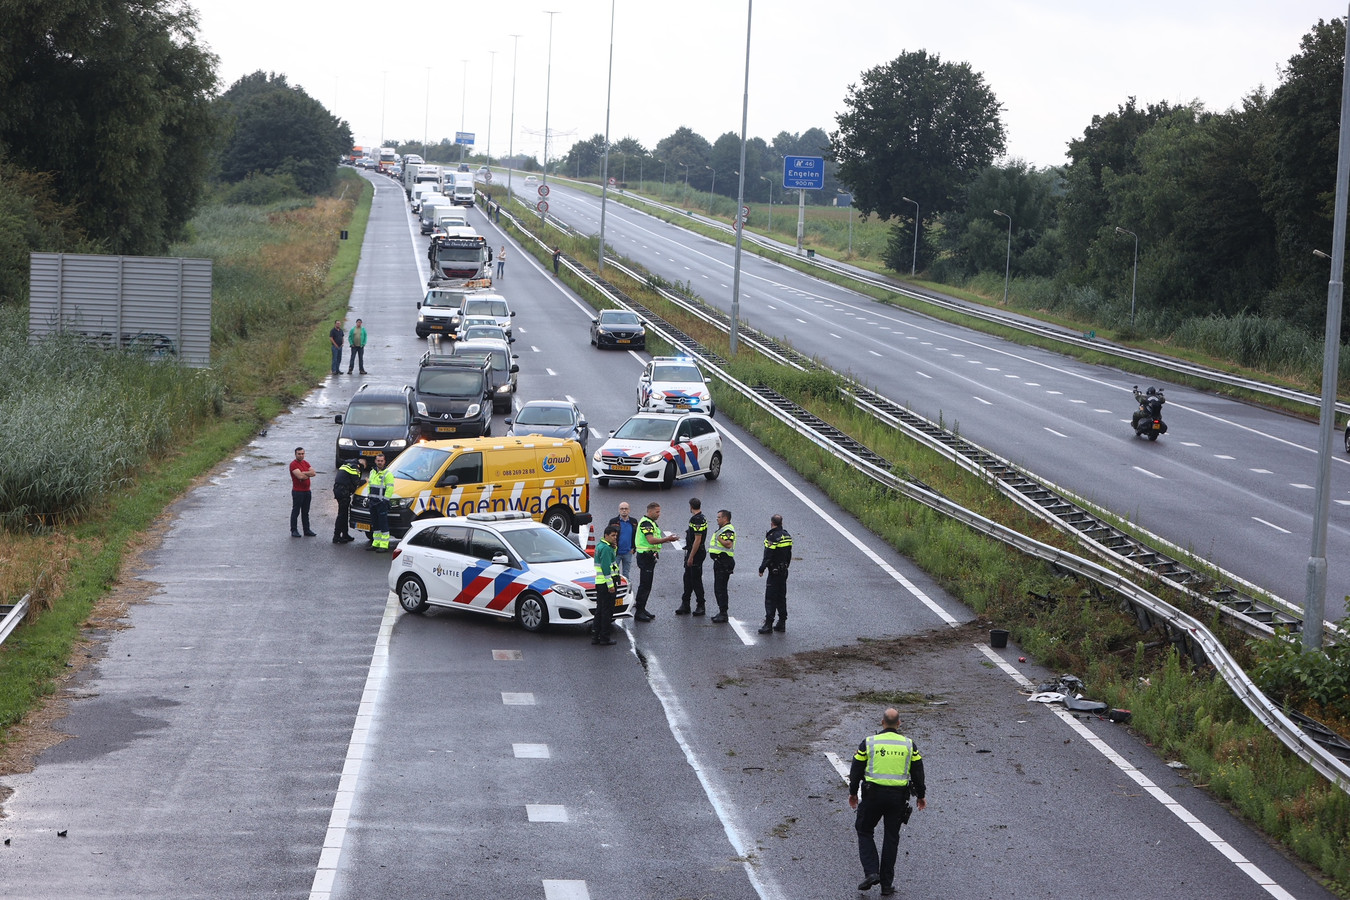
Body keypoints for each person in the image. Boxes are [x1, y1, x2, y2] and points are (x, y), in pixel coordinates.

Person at [849, 708, 926, 896]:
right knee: (891, 839)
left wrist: (853, 793)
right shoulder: (909, 745)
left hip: (872, 796)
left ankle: (871, 872)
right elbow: (918, 772)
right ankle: (886, 885)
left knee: (864, 830)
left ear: (882, 722)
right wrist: (921, 796)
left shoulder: (869, 742)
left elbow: (856, 768)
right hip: (898, 798)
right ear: (899, 724)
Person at [632, 501, 677, 621]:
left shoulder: (651, 522)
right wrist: (667, 539)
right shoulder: (646, 523)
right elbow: (651, 540)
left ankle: (642, 608)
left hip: (649, 556)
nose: (659, 514)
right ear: (650, 511)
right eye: (657, 512)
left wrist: (666, 540)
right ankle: (639, 611)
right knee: (645, 585)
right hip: (645, 557)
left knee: (647, 585)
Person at [757, 513, 793, 634]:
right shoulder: (787, 536)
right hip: (784, 571)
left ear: (772, 523)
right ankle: (782, 622)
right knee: (781, 597)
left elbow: (768, 555)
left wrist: (762, 568)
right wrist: (786, 566)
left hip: (774, 572)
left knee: (770, 598)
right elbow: (789, 555)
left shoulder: (772, 537)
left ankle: (768, 624)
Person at [676, 498, 708, 615]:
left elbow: (697, 540)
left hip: (696, 553)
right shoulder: (701, 517)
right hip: (694, 551)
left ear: (691, 506)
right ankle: (685, 603)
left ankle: (700, 604)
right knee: (687, 578)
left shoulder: (697, 519)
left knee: (695, 579)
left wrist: (691, 556)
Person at [592, 523, 620, 645]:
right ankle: (604, 637)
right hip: (606, 583)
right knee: (607, 612)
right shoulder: (607, 549)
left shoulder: (601, 545)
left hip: (599, 582)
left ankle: (595, 636)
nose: (615, 537)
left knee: (599, 610)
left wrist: (614, 547)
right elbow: (606, 568)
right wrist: (611, 585)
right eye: (613, 535)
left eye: (616, 535)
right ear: (606, 535)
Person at [707, 509, 736, 623]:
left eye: (719, 517)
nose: (717, 519)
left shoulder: (728, 529)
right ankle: (721, 612)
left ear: (725, 518)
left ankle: (723, 613)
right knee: (719, 588)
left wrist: (719, 538)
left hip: (724, 562)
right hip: (720, 562)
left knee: (721, 589)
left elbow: (728, 544)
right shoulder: (722, 529)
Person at [332, 458, 367, 543]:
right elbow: (356, 482)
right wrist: (365, 481)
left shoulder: (347, 464)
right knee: (342, 515)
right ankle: (336, 536)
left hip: (339, 490)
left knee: (344, 514)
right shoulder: (355, 467)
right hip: (343, 492)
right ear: (363, 463)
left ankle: (345, 534)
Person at [366, 452, 396, 552]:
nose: (379, 462)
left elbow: (390, 489)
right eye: (378, 461)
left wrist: (385, 501)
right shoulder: (372, 472)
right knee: (375, 524)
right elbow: (370, 486)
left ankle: (384, 545)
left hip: (381, 503)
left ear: (384, 462)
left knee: (383, 524)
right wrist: (368, 498)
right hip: (373, 502)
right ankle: (376, 543)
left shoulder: (388, 474)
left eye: (381, 461)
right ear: (375, 461)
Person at [288, 447, 317, 537]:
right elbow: (300, 477)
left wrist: (304, 472)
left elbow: (313, 473)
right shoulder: (293, 464)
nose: (301, 455)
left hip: (307, 491)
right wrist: (307, 474)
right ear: (295, 454)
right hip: (298, 492)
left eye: (302, 454)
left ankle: (306, 530)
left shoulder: (305, 463)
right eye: (299, 454)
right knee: (296, 511)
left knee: (305, 512)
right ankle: (294, 530)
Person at [607, 503, 638, 580]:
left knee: (626, 573)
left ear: (629, 510)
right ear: (619, 510)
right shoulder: (613, 521)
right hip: (616, 553)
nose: (624, 510)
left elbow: (637, 536)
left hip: (628, 552)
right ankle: (615, 587)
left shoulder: (633, 522)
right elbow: (607, 535)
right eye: (622, 509)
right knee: (614, 573)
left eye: (626, 508)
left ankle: (625, 588)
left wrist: (634, 548)